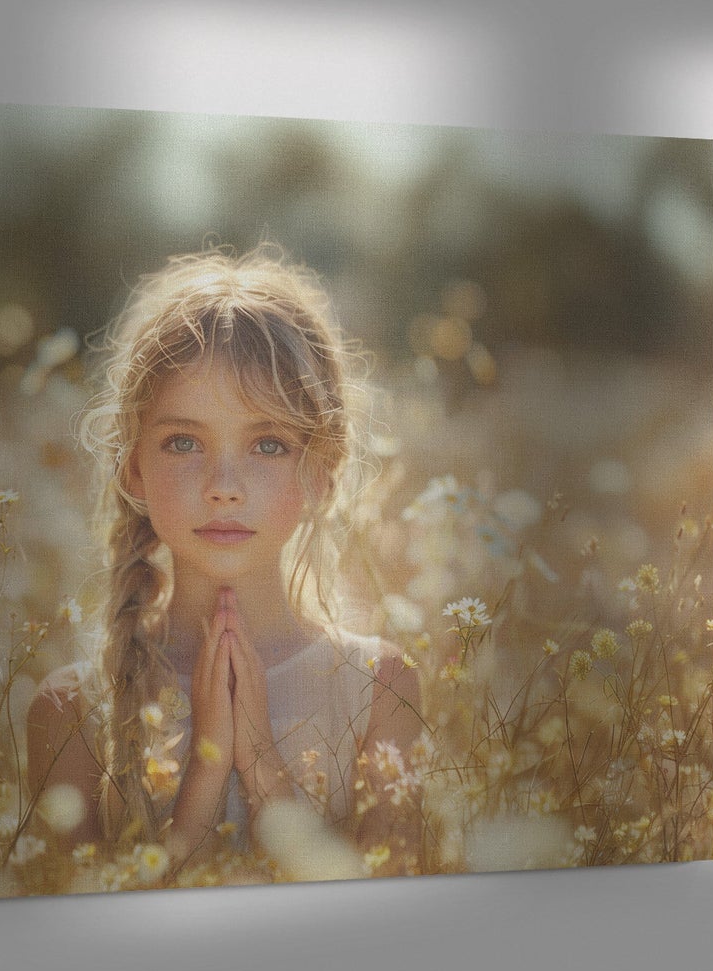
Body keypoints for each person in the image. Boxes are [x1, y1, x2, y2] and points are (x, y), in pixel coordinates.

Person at [25, 242, 426, 877]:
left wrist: (264, 766)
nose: (223, 484)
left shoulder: (381, 690)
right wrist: (206, 774)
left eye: (268, 444)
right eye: (183, 441)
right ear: (134, 466)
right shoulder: (71, 709)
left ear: (324, 472)